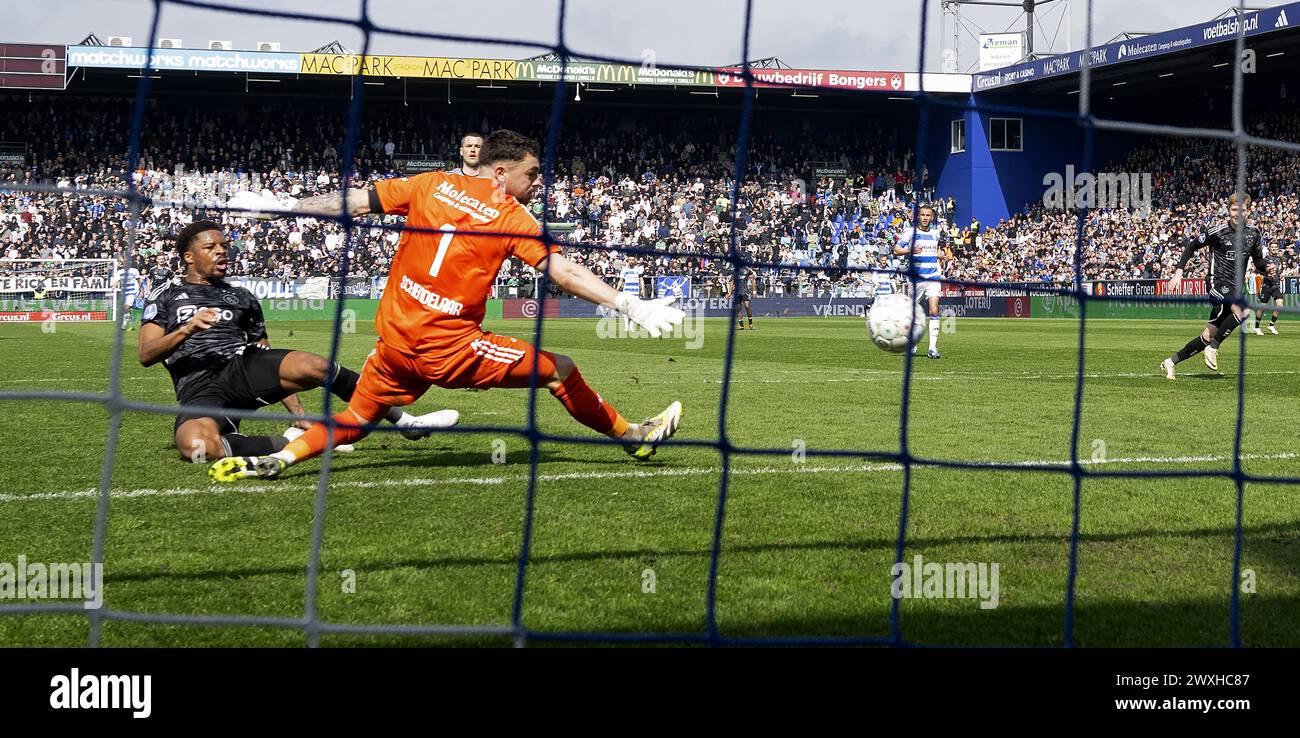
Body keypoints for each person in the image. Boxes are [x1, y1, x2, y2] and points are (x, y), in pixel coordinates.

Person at [209, 130, 685, 482]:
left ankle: (277, 460)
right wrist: (630, 305)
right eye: (532, 174)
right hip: (450, 349)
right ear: (501, 173)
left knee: (355, 420)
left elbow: (352, 202)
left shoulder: (429, 184)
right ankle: (634, 439)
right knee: (560, 369)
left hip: (395, 344)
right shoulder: (514, 217)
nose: (538, 183)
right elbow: (562, 273)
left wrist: (285, 209)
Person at [140, 221, 457, 463]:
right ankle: (287, 443)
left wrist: (297, 410)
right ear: (188, 257)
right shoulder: (166, 295)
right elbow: (146, 353)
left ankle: (403, 420)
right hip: (199, 388)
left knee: (314, 365)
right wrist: (188, 330)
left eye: (224, 245)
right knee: (195, 447)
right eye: (211, 247)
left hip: (241, 368)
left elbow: (264, 353)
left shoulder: (242, 297)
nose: (222, 251)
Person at [1160, 193, 1273, 379]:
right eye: (1234, 209)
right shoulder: (1217, 231)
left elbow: (1259, 262)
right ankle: (1213, 349)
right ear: (1229, 210)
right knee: (1243, 311)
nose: (1238, 213)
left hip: (1235, 289)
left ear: (1248, 211)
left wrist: (1267, 267)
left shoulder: (1253, 233)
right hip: (1216, 283)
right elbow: (1191, 246)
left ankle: (1170, 362)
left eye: (1242, 210)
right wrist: (1179, 272)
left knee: (1208, 336)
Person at [893, 204, 945, 358]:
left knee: (934, 310)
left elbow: (932, 250)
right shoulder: (910, 232)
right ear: (918, 216)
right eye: (922, 215)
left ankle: (932, 348)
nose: (925, 218)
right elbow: (896, 250)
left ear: (932, 217)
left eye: (928, 215)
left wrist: (939, 254)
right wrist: (910, 250)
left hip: (933, 275)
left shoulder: (936, 233)